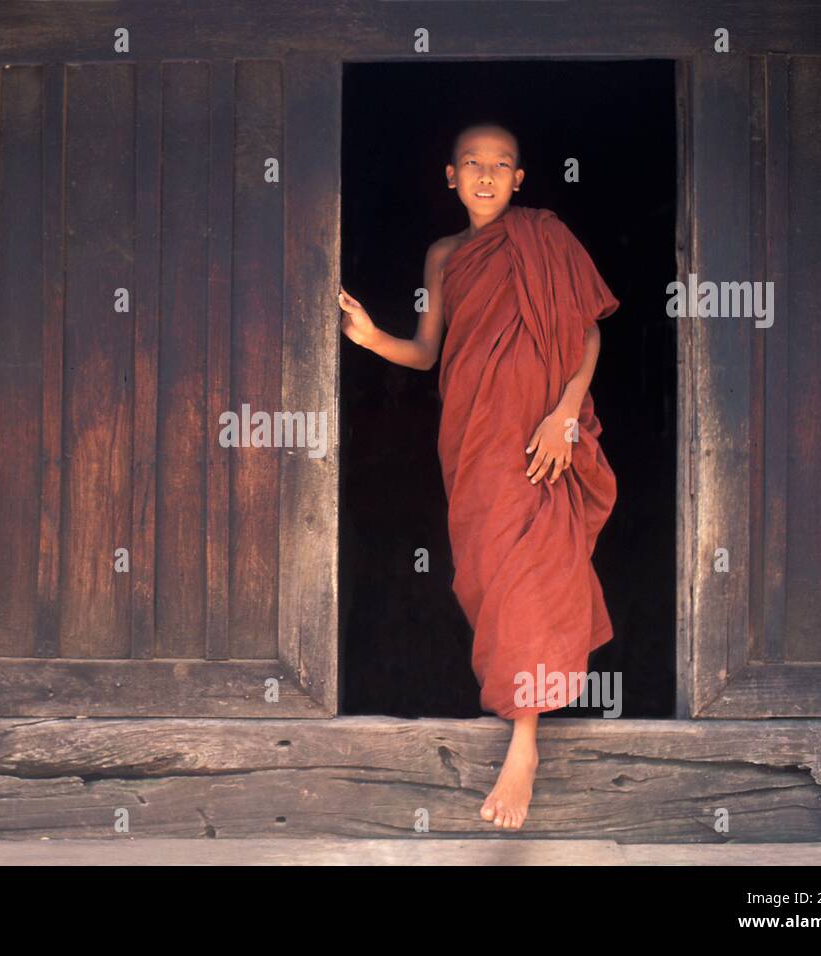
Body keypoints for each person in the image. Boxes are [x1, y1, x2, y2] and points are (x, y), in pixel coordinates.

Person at [339, 123, 619, 830]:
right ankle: (521, 709)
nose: (487, 177)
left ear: (520, 178)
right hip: (477, 440)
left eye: (501, 166)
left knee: (538, 568)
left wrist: (564, 412)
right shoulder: (444, 255)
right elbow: (430, 351)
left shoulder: (544, 235)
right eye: (473, 165)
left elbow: (587, 331)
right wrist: (373, 338)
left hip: (542, 432)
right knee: (492, 574)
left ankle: (523, 742)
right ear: (451, 176)